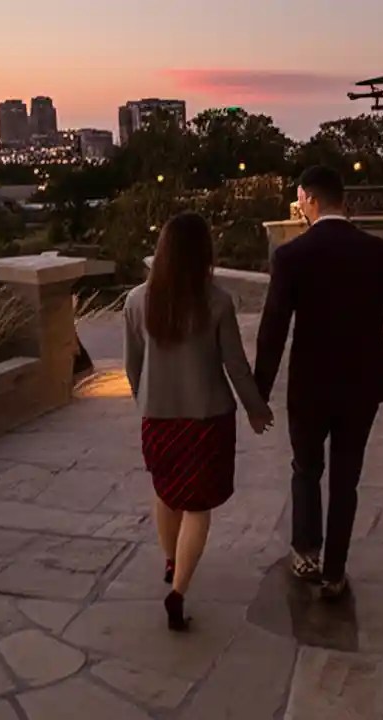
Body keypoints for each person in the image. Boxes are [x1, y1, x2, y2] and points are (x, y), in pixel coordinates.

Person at [255, 166, 383, 600]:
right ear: (341, 199)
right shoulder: (377, 252)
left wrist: (259, 390)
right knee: (346, 478)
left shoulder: (292, 256)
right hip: (362, 383)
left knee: (306, 469)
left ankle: (306, 554)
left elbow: (273, 329)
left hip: (309, 384)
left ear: (309, 199)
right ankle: (335, 572)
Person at [124, 212, 274, 631]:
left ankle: (173, 562)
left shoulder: (136, 300)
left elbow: (131, 367)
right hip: (207, 421)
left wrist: (147, 404)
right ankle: (178, 592)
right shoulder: (216, 301)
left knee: (166, 492)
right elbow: (236, 365)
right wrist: (256, 409)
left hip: (158, 418)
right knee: (198, 506)